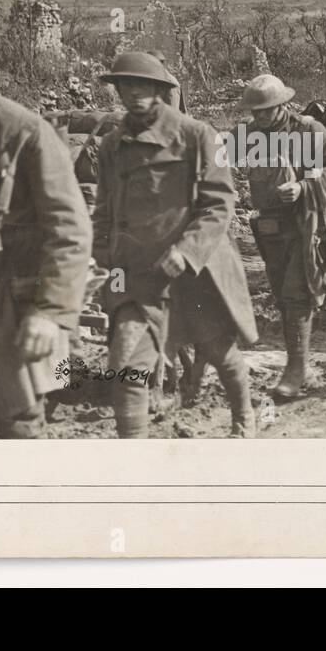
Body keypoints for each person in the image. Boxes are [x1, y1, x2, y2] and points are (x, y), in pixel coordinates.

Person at [91, 52, 258, 438]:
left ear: (161, 91)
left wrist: (186, 251)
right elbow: (103, 213)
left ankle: (243, 416)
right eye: (126, 86)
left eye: (143, 86)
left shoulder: (199, 135)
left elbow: (220, 203)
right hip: (135, 278)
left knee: (219, 352)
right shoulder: (111, 147)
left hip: (195, 275)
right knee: (128, 370)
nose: (134, 94)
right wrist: (101, 266)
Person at [0, 44, 91, 439]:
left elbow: (70, 231)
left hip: (6, 307)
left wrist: (50, 311)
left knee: (17, 421)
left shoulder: (23, 132)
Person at [238, 73, 326, 399]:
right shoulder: (248, 135)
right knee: (282, 297)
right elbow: (228, 169)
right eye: (256, 112)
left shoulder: (309, 130)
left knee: (297, 296)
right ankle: (302, 366)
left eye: (267, 110)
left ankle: (295, 371)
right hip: (267, 230)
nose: (261, 117)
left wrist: (305, 186)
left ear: (282, 105)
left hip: (305, 225)